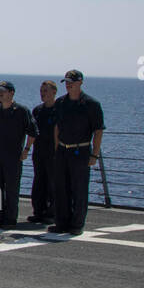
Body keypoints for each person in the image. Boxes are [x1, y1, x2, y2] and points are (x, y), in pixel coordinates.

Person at [50, 70, 105, 236]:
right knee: (61, 188)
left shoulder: (91, 104)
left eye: (71, 81)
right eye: (66, 82)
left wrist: (94, 154)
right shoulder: (60, 103)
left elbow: (98, 131)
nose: (68, 85)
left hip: (80, 151)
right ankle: (61, 222)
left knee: (79, 189)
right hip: (62, 150)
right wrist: (56, 149)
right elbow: (57, 128)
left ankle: (77, 224)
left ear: (80, 82)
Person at [0, 81, 36, 229]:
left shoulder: (22, 111)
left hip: (13, 155)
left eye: (3, 91)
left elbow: (32, 132)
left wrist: (26, 150)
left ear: (12, 92)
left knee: (12, 188)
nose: (0, 94)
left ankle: (10, 218)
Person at [28, 80, 58, 224]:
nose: (43, 94)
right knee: (39, 182)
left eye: (46, 91)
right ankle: (38, 211)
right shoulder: (37, 111)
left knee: (54, 183)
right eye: (41, 91)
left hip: (54, 152)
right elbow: (32, 132)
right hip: (39, 151)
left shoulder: (59, 109)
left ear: (54, 92)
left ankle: (52, 212)